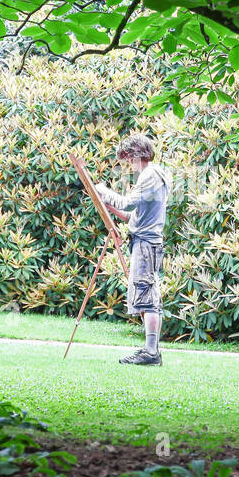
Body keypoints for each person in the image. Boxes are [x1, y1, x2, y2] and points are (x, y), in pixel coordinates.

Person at [94, 134, 171, 365]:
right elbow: (131, 215)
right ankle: (150, 350)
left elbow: (127, 203)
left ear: (136, 153)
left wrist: (102, 191)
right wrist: (107, 206)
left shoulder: (150, 175)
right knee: (146, 294)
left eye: (128, 158)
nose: (128, 164)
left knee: (147, 296)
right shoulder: (154, 174)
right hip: (146, 241)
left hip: (146, 244)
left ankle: (150, 353)